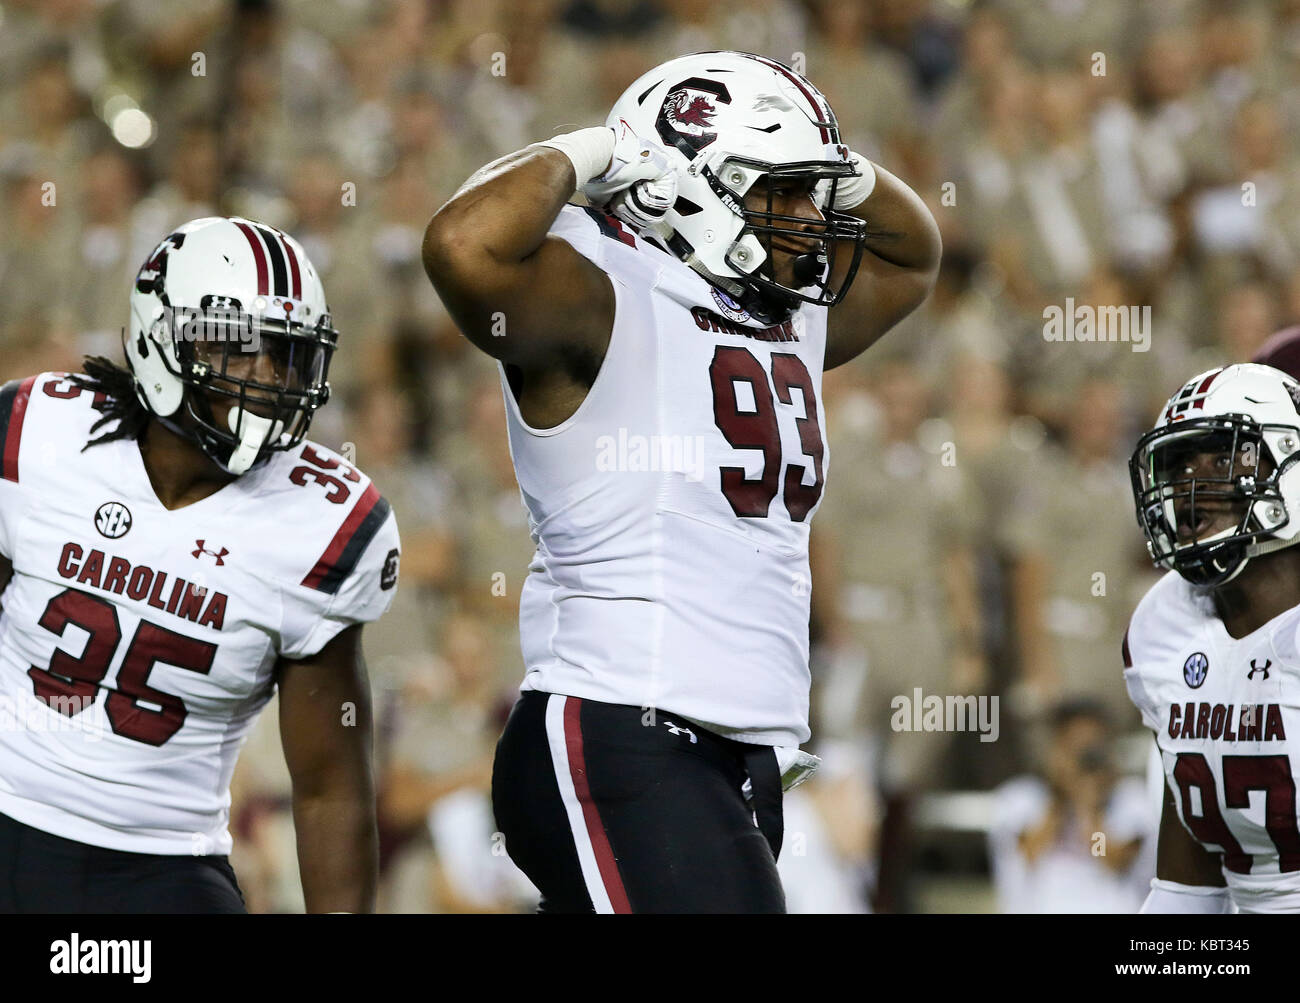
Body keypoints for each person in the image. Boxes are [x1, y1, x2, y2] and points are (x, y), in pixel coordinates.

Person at [423, 50, 940, 912]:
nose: (813, 219)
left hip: (735, 753)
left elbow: (914, 254)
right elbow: (461, 245)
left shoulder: (790, 312)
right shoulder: (602, 287)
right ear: (685, 189)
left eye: (814, 194)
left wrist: (834, 163)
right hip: (620, 725)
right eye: (783, 192)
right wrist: (600, 150)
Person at [0, 216, 400, 913]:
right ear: (162, 337)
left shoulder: (321, 525)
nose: (268, 377)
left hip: (161, 862)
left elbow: (329, 784)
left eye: (285, 354)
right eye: (240, 351)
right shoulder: (39, 435)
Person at [1124, 362, 1300, 913]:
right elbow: (1190, 880)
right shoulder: (1163, 624)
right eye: (1177, 465)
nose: (1189, 486)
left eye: (1222, 456)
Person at [989, 699, 1152, 913]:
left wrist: (1090, 811)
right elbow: (1029, 854)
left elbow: (1110, 861)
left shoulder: (1130, 800)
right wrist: (1059, 798)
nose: (1082, 759)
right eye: (1073, 747)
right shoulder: (1020, 798)